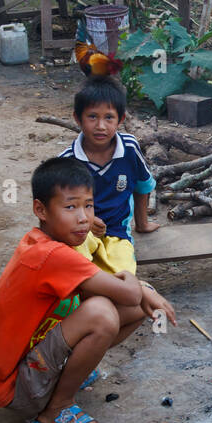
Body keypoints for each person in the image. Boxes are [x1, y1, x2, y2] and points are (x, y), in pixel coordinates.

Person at [0, 156, 176, 423]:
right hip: (19, 388)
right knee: (101, 313)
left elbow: (108, 289)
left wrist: (141, 290)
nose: (84, 217)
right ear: (41, 209)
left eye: (88, 205)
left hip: (30, 365)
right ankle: (55, 409)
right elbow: (129, 291)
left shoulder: (48, 243)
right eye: (70, 206)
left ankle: (65, 378)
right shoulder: (52, 255)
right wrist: (138, 283)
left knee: (130, 307)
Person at [59, 77, 159, 276]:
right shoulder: (67, 161)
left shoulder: (129, 149)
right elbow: (61, 207)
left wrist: (142, 224)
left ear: (121, 120)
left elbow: (142, 186)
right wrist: (86, 220)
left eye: (109, 117)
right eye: (92, 117)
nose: (101, 126)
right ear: (78, 118)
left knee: (122, 274)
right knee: (75, 269)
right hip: (80, 233)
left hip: (118, 233)